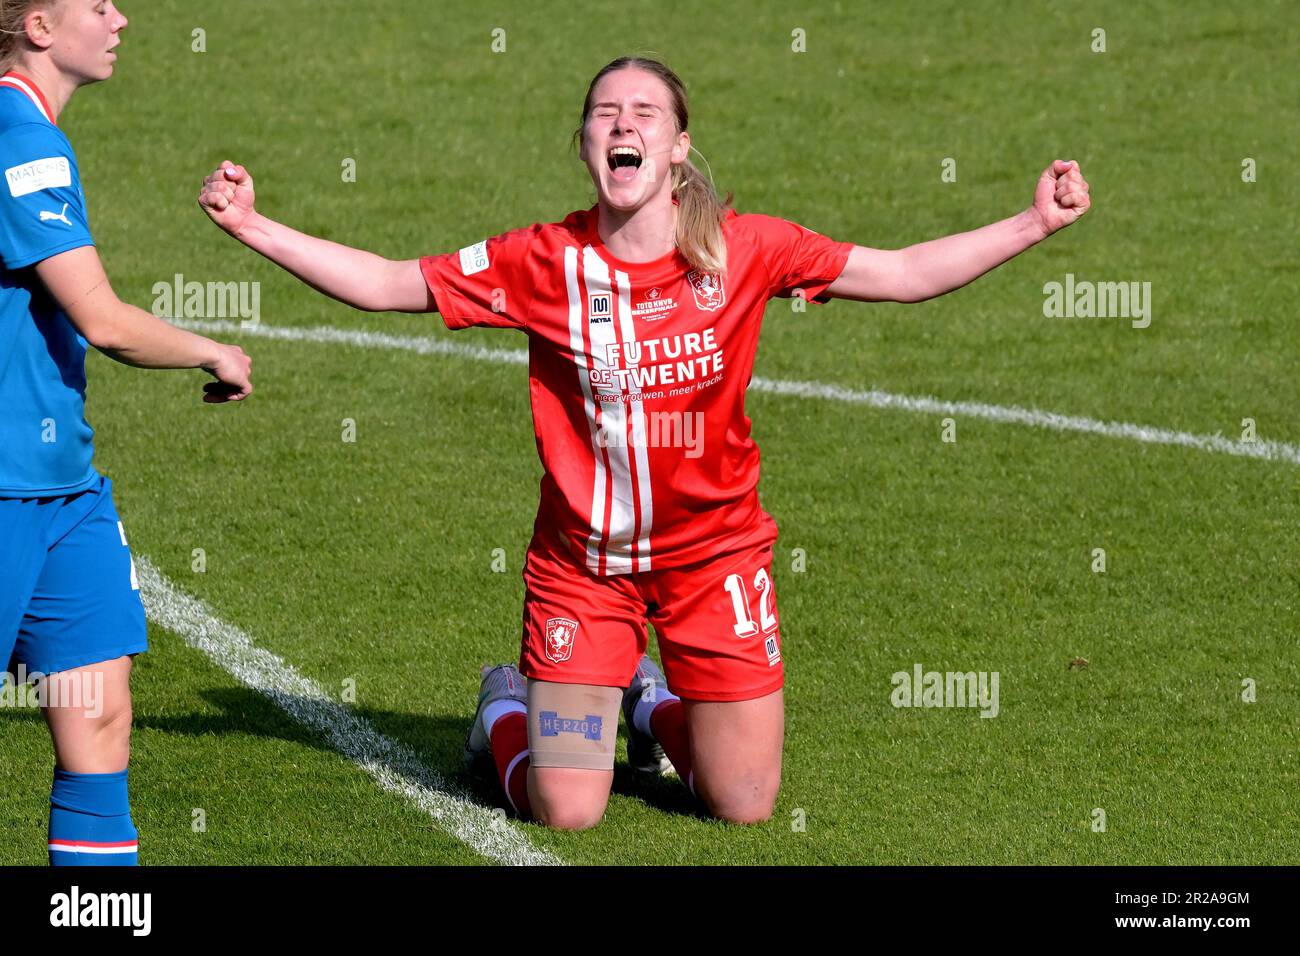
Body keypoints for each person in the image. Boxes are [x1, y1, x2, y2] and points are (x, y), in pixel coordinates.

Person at [198, 56, 1089, 830]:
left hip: (716, 560)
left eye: (643, 114)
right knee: (569, 808)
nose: (621, 125)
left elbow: (898, 273)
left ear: (677, 147)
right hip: (585, 573)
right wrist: (251, 226)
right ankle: (504, 708)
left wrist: (1033, 223)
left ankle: (649, 701)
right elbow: (391, 284)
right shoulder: (540, 260)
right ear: (589, 146)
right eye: (604, 114)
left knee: (741, 802)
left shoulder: (749, 249)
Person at [0, 0, 253, 865]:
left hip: (62, 494)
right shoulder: (17, 140)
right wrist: (215, 350)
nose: (121, 18)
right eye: (97, 5)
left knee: (100, 722)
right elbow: (103, 321)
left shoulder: (34, 132)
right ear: (39, 26)